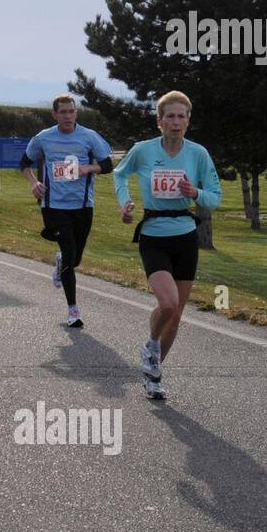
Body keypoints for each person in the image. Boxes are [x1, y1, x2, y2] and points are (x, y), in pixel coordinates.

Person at [113, 90, 221, 400]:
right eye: (170, 116)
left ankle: (154, 374)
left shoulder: (198, 154)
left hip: (185, 235)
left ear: (188, 121)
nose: (175, 122)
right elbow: (120, 175)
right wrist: (125, 203)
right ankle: (151, 344)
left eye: (181, 116)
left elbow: (215, 197)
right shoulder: (143, 150)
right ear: (159, 121)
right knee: (169, 303)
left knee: (176, 313)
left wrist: (195, 193)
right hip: (153, 235)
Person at [20, 94, 114, 328]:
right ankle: (73, 310)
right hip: (54, 206)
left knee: (75, 258)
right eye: (63, 112)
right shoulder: (44, 138)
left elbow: (108, 165)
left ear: (76, 113)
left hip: (82, 206)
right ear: (55, 115)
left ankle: (62, 259)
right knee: (71, 259)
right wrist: (33, 183)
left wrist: (87, 169)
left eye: (71, 111)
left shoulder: (89, 136)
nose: (68, 116)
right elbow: (24, 162)